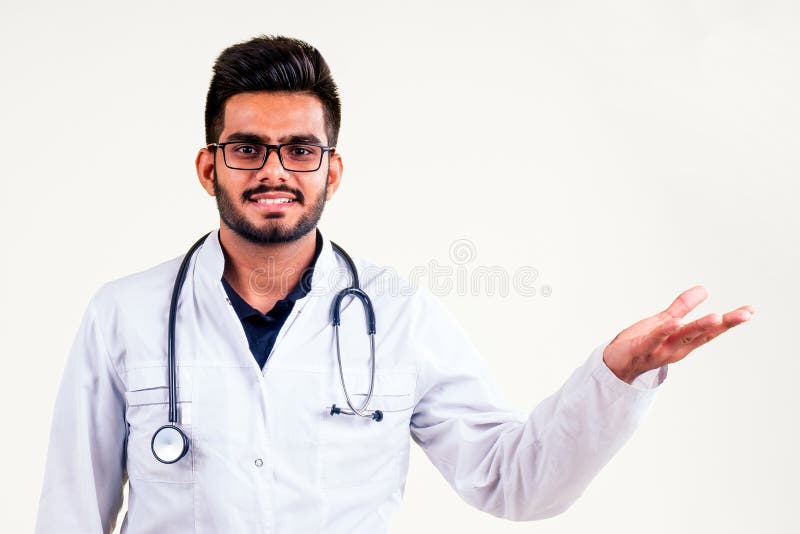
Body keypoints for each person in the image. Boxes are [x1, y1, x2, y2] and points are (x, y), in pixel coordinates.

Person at [35, 35, 754, 534]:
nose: (274, 171)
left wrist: (615, 375)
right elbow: (71, 513)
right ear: (208, 167)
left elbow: (515, 481)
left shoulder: (399, 316)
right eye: (247, 148)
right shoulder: (123, 316)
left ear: (332, 171)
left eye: (301, 150)